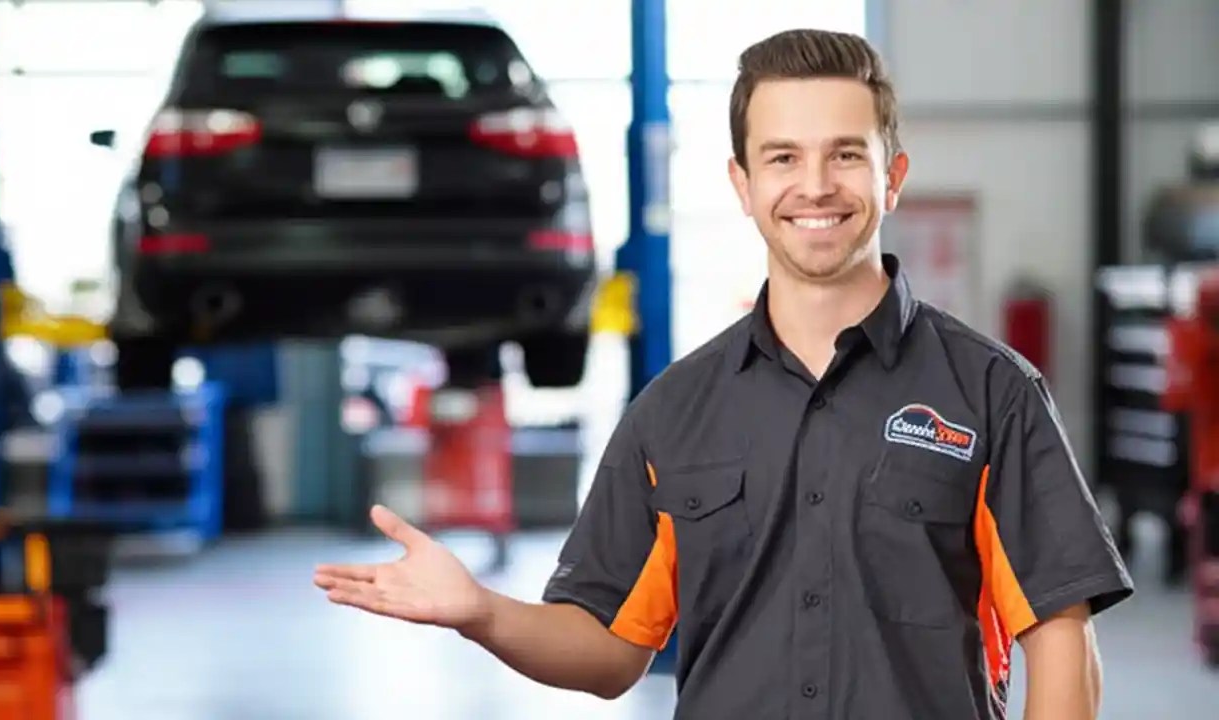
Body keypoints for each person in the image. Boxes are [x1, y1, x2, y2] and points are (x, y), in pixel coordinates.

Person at [313, 28, 1134, 719]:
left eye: (845, 155)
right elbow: (608, 651)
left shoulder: (991, 394)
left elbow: (1060, 639)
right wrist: (483, 613)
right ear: (742, 183)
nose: (814, 186)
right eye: (782, 158)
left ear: (893, 176)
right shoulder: (673, 413)